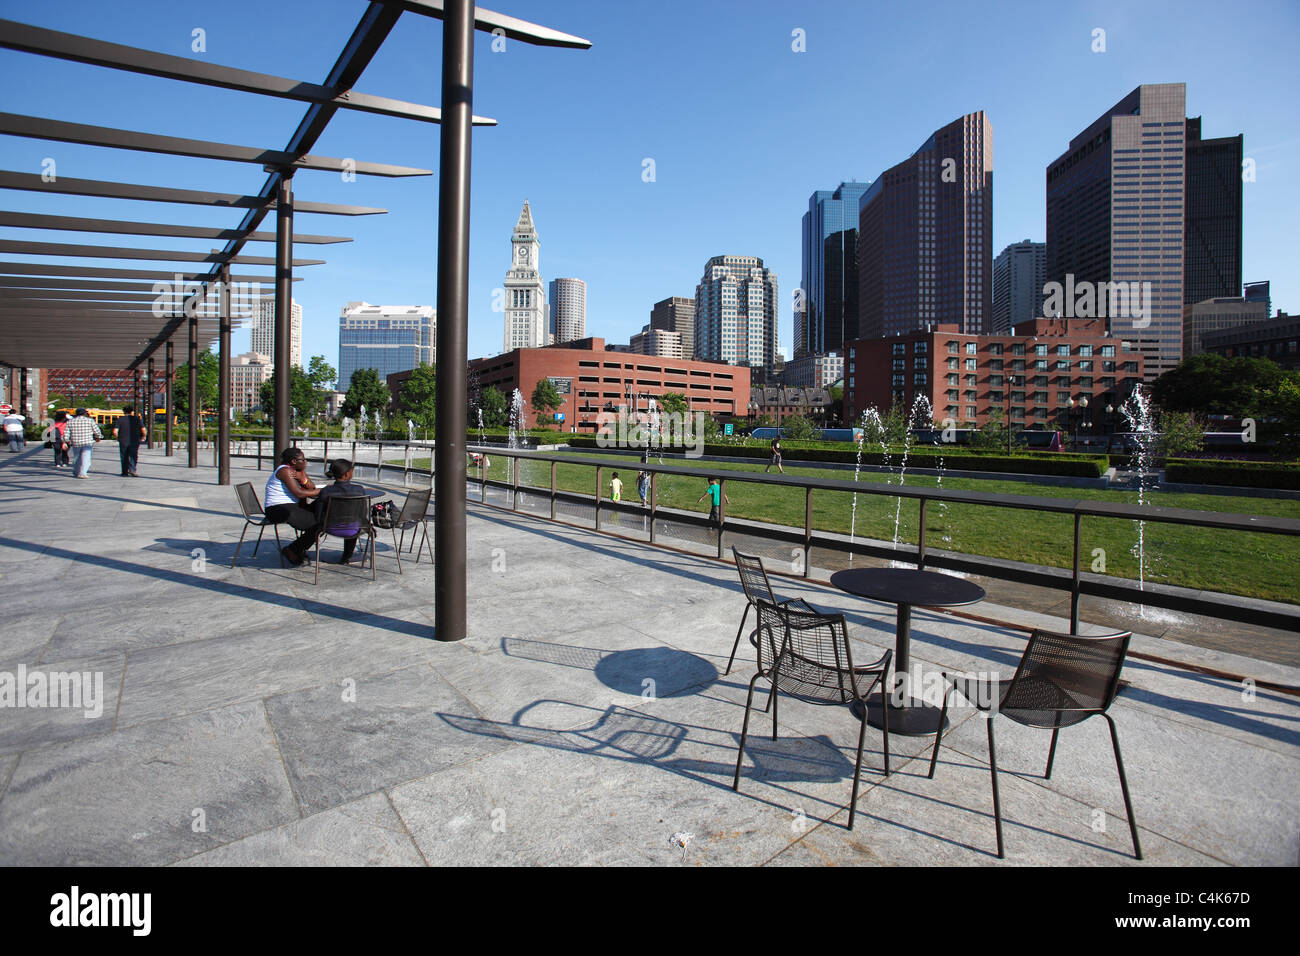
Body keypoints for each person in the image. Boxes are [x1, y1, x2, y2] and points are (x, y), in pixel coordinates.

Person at [263, 447, 322, 566]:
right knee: (319, 524)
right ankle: (293, 550)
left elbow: (311, 488)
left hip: (292, 507)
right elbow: (299, 493)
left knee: (323, 513)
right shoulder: (285, 471)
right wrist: (322, 492)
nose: (305, 462)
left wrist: (303, 479)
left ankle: (297, 548)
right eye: (303, 460)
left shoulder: (297, 471)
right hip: (278, 509)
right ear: (294, 461)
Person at [314, 458, 367, 564]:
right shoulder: (359, 490)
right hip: (353, 529)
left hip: (330, 528)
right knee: (352, 520)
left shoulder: (326, 491)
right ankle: (347, 556)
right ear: (347, 474)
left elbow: (318, 516)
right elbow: (362, 514)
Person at [65, 408, 103, 478]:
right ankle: (82, 473)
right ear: (84, 413)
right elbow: (96, 430)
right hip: (87, 442)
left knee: (76, 458)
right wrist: (99, 437)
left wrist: (66, 441)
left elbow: (66, 433)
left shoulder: (70, 421)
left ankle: (76, 471)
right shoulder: (90, 421)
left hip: (76, 442)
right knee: (86, 458)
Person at [114, 404, 145, 477]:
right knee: (133, 455)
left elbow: (115, 431)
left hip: (123, 440)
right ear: (132, 412)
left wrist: (118, 437)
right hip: (135, 440)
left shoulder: (120, 419)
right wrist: (143, 436)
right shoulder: (137, 419)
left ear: (124, 412)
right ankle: (132, 470)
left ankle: (124, 472)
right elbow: (143, 429)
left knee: (124, 455)